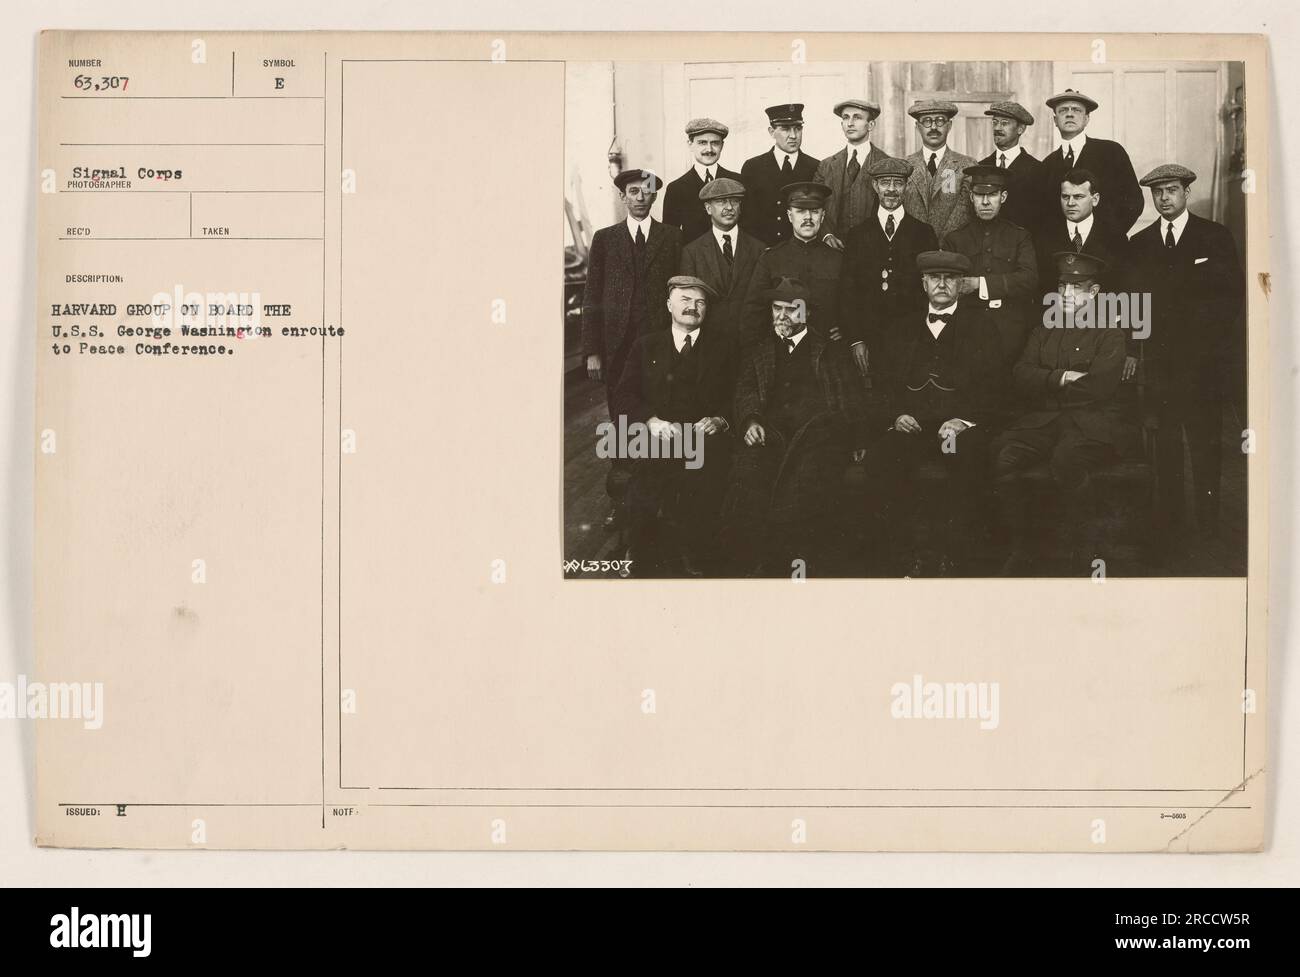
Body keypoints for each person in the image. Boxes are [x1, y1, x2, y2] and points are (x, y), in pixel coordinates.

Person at [992, 252, 1135, 575]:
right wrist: (1062, 377)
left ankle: (1083, 549)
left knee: (1066, 460)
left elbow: (1099, 387)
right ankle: (1024, 544)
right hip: (1046, 421)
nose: (1067, 295)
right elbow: (1020, 374)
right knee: (1004, 454)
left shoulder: (1109, 331)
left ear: (1094, 292)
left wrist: (1046, 381)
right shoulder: (1046, 326)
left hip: (1092, 424)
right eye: (1062, 287)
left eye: (1077, 288)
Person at [1125, 163, 1246, 543]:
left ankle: (1209, 526)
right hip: (1160, 364)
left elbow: (1230, 301)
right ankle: (1173, 523)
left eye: (1172, 190)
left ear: (1186, 192)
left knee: (1206, 443)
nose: (1164, 198)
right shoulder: (1140, 244)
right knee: (1166, 446)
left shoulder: (1215, 237)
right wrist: (1135, 349)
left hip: (1205, 365)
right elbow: (1135, 305)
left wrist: (1210, 352)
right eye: (1157, 191)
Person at [722, 278, 867, 575]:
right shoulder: (758, 350)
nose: (783, 315)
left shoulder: (830, 351)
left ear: (807, 314)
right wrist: (750, 420)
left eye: (792, 309)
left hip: (818, 435)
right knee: (748, 474)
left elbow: (851, 398)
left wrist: (857, 440)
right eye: (777, 308)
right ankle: (754, 563)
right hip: (770, 434)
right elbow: (744, 391)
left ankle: (796, 562)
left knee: (806, 482)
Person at [874, 250, 1000, 576]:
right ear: (924, 283)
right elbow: (883, 384)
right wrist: (896, 415)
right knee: (887, 457)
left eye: (950, 278)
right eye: (935, 278)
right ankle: (905, 557)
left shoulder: (982, 327)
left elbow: (993, 387)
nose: (942, 284)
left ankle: (952, 556)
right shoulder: (900, 328)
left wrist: (962, 421)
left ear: (960, 284)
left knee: (965, 461)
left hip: (953, 433)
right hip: (913, 430)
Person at [613, 276, 737, 576]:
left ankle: (696, 552)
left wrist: (720, 419)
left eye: (700, 302)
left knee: (706, 481)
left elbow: (737, 394)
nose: (692, 307)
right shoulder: (646, 346)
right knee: (648, 475)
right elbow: (623, 395)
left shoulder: (725, 346)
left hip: (703, 436)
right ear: (669, 305)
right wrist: (651, 420)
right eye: (685, 300)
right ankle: (640, 550)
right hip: (659, 433)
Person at [582, 168, 684, 528]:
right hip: (618, 347)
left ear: (655, 197)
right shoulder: (605, 239)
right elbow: (592, 297)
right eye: (634, 192)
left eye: (647, 192)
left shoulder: (671, 237)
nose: (641, 197)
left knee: (658, 414)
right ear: (623, 197)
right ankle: (621, 501)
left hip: (658, 344)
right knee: (622, 419)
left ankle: (656, 498)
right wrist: (593, 351)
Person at [837, 157, 939, 382]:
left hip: (912, 338)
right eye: (885, 183)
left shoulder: (923, 233)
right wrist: (856, 339)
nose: (891, 189)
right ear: (875, 186)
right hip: (869, 338)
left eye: (898, 183)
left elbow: (931, 290)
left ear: (906, 186)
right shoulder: (857, 235)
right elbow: (847, 291)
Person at [941, 164, 1038, 368]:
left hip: (1011, 332)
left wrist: (979, 284)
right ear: (971, 197)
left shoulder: (1019, 237)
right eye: (979, 195)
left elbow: (1029, 280)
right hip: (967, 331)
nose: (985, 202)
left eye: (992, 195)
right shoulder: (955, 240)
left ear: (1003, 197)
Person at [740, 181, 844, 348]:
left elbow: (850, 304)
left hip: (827, 351)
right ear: (790, 216)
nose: (808, 218)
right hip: (782, 350)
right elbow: (753, 310)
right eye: (800, 211)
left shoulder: (838, 259)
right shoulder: (770, 258)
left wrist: (844, 327)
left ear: (823, 216)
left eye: (814, 212)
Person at [1038, 89, 1143, 236]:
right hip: (1061, 253)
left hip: (1106, 249)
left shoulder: (1111, 152)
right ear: (1055, 120)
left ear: (1087, 118)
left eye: (1076, 110)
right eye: (1063, 110)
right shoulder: (1047, 164)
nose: (1069, 114)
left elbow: (1134, 201)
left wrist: (1109, 236)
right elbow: (1043, 212)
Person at [679, 177, 764, 346]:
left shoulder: (759, 249)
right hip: (708, 343)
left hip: (751, 341)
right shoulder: (692, 252)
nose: (729, 208)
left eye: (735, 201)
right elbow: (688, 302)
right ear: (708, 208)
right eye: (721, 202)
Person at [1033, 167, 1128, 296]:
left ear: (1095, 199)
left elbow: (1120, 285)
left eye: (1078, 197)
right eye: (1065, 197)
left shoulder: (1115, 237)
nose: (1070, 203)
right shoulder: (1044, 235)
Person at [738, 103, 820, 246]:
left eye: (798, 128)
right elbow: (746, 217)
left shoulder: (816, 166)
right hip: (763, 252)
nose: (793, 135)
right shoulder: (753, 167)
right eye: (785, 129)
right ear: (771, 131)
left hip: (802, 251)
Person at [814, 98, 890, 250]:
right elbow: (815, 205)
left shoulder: (886, 164)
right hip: (832, 251)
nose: (850, 123)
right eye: (846, 118)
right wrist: (826, 235)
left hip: (873, 251)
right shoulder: (826, 165)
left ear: (871, 125)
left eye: (857, 117)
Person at [902, 99, 975, 242]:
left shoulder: (967, 166)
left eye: (940, 121)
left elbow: (966, 209)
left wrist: (948, 242)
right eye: (927, 121)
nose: (933, 127)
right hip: (912, 248)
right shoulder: (904, 166)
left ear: (949, 126)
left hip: (953, 249)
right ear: (917, 127)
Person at [661, 117, 742, 245]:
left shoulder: (737, 181)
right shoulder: (676, 188)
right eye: (702, 143)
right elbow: (670, 236)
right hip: (694, 261)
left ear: (722, 146)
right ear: (690, 144)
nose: (709, 149)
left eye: (715, 143)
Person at [978, 100, 1045, 233]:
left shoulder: (1038, 170)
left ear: (1020, 129)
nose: (997, 128)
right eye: (995, 122)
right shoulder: (981, 167)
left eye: (1004, 123)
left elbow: (1042, 218)